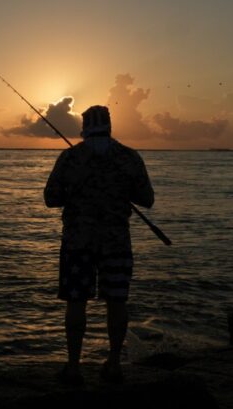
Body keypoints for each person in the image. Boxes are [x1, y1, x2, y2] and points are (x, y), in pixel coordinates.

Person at [44, 105, 154, 385]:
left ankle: (73, 368)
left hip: (77, 243)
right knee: (117, 302)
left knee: (76, 302)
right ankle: (114, 364)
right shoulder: (129, 157)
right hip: (116, 242)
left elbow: (51, 198)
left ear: (84, 128)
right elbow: (147, 199)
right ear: (109, 126)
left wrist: (75, 191)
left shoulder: (70, 157)